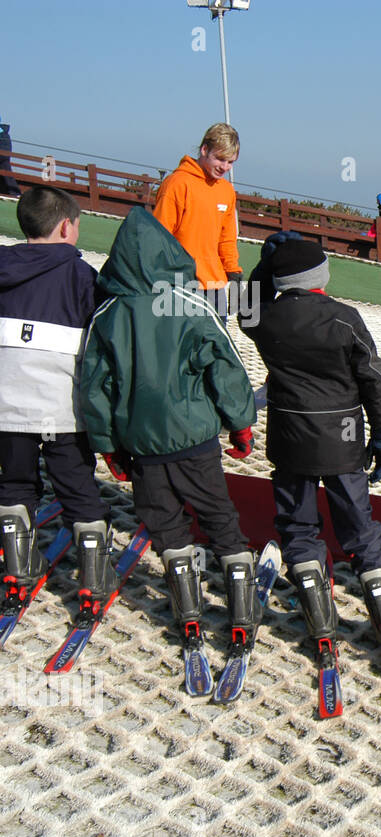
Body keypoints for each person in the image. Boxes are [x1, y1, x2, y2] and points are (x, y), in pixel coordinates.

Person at [79, 207, 257, 661]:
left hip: (140, 441)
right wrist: (239, 422)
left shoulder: (109, 314)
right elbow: (226, 365)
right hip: (194, 436)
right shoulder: (190, 303)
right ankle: (241, 603)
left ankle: (188, 607)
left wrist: (106, 445)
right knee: (219, 516)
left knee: (164, 522)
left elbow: (94, 384)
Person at [242, 235, 381, 667]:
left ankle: (319, 620)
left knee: (298, 527)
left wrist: (265, 268)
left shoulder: (266, 317)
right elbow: (372, 376)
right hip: (343, 438)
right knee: (359, 528)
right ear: (320, 275)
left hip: (291, 434)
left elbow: (244, 307)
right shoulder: (344, 318)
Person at [0, 186, 111, 596]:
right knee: (77, 488)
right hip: (61, 410)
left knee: (15, 484)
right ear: (68, 226)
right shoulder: (83, 277)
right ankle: (96, 576)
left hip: (6, 407)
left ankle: (19, 563)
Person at [153, 123, 243, 318]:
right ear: (204, 150)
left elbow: (226, 238)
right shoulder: (177, 184)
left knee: (215, 347)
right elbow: (159, 236)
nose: (224, 167)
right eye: (220, 159)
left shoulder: (226, 191)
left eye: (230, 162)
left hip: (214, 287)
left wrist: (233, 271)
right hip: (179, 284)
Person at [0, 114, 19, 197]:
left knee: (5, 166)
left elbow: (5, 154)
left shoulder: (3, 136)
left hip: (2, 162)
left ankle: (14, 192)